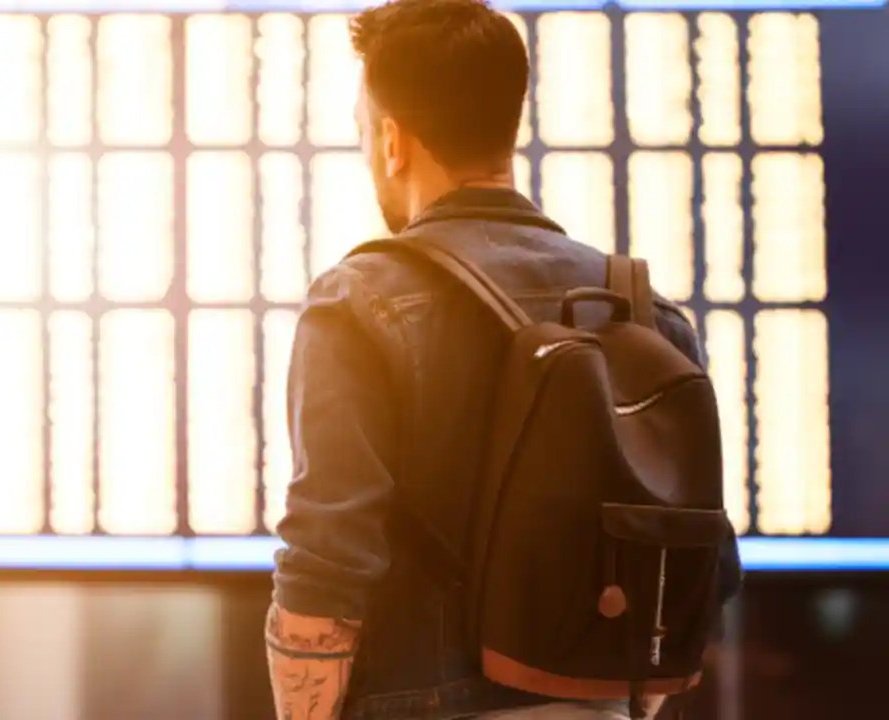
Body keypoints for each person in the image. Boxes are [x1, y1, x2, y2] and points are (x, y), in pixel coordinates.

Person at [264, 1, 743, 719]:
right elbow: (701, 569)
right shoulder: (646, 315)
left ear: (392, 142)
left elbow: (326, 560)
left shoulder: (358, 303)